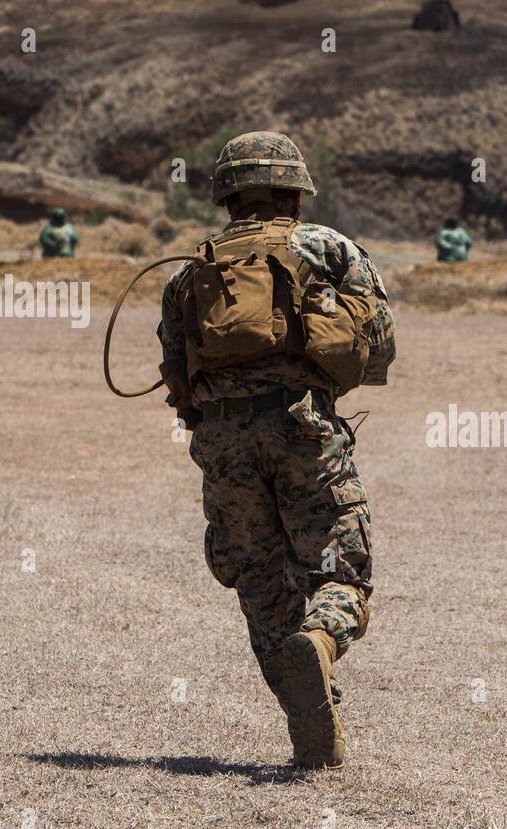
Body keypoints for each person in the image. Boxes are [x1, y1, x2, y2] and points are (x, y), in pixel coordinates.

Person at [156, 132, 396, 769]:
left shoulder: (189, 273)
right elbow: (380, 348)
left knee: (261, 586)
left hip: (222, 441)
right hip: (302, 428)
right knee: (341, 570)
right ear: (295, 189)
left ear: (226, 196)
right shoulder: (326, 247)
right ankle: (320, 640)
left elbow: (178, 378)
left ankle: (313, 726)